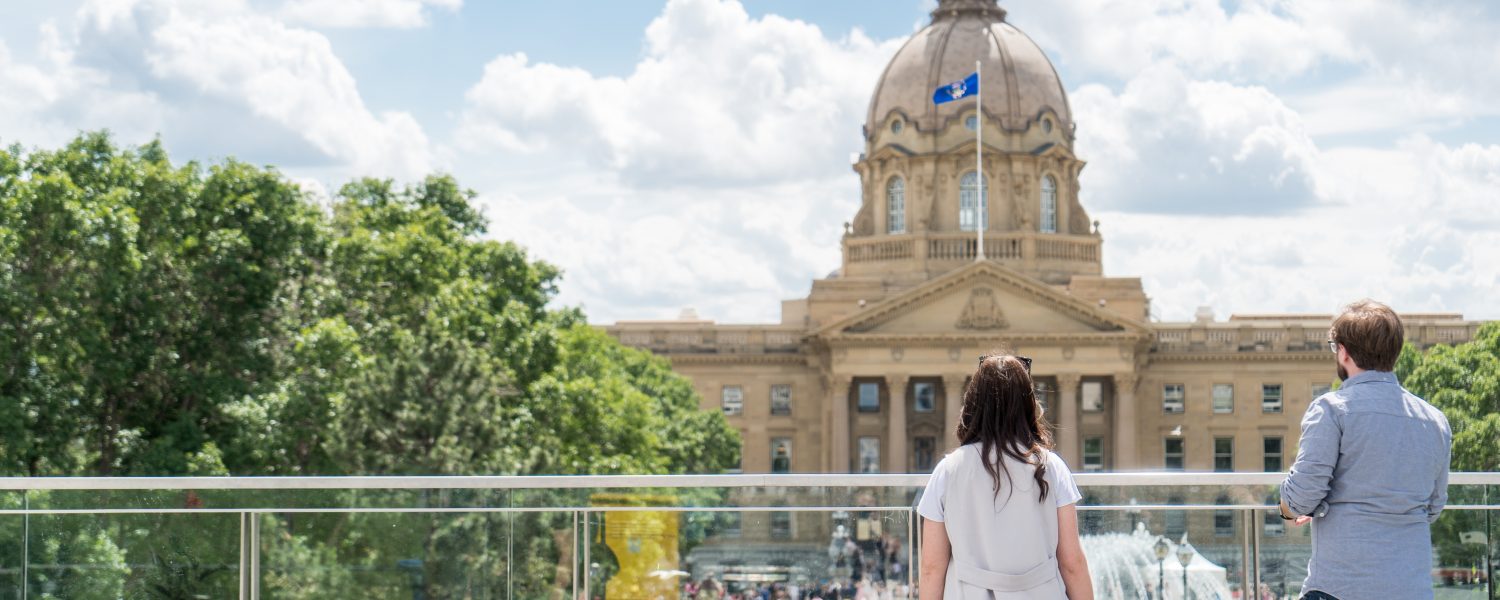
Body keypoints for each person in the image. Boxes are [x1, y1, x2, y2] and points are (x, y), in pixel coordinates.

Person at [1280, 300, 1452, 600]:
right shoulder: (1435, 420)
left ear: (1344, 351)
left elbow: (1301, 497)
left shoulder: (1331, 410)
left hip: (1341, 587)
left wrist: (1291, 509)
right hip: (1411, 589)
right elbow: (1433, 507)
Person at [916, 355, 1093, 599]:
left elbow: (931, 569)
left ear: (973, 404)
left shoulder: (948, 470)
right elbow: (1072, 563)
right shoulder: (1051, 466)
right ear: (1028, 403)